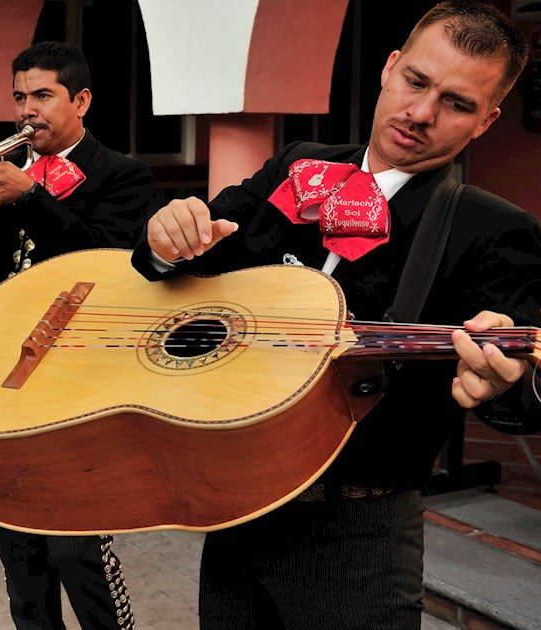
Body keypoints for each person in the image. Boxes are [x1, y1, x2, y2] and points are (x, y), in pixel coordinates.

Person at [132, 3, 541, 628]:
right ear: (389, 69)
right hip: (236, 506)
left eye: (457, 104)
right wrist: (164, 241)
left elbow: (522, 378)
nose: (422, 113)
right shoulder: (296, 163)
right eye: (417, 82)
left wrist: (506, 383)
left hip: (357, 534)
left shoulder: (495, 231)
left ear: (486, 122)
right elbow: (186, 261)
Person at [0, 41, 154, 629]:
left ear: (81, 100)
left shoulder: (124, 175)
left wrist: (30, 197)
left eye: (42, 95)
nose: (26, 110)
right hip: (3, 376)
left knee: (78, 550)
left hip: (77, 381)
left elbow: (109, 266)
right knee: (17, 550)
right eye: (19, 97)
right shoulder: (4, 173)